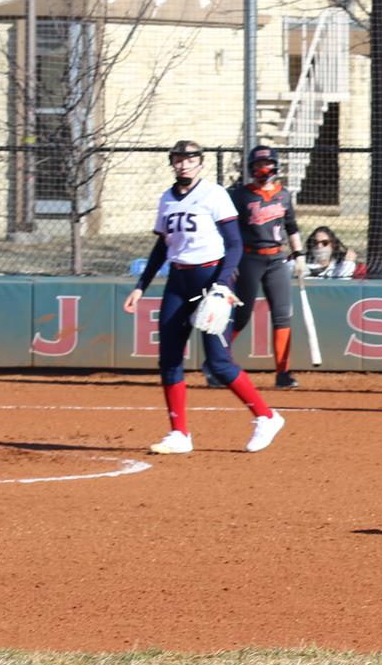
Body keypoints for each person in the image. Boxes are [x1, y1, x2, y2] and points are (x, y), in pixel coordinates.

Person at [121, 140, 284, 455]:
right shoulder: (167, 199)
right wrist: (141, 285)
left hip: (211, 280)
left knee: (219, 363)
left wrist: (222, 284)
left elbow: (234, 244)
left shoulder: (215, 195)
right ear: (172, 163)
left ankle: (266, 417)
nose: (184, 164)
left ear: (201, 163)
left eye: (190, 159)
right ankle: (179, 434)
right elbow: (162, 248)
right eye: (179, 159)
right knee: (168, 358)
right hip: (178, 280)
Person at [215, 144, 303, 390]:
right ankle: (217, 363)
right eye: (257, 165)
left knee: (283, 315)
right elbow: (228, 229)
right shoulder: (242, 195)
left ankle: (283, 373)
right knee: (241, 316)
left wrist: (299, 255)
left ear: (275, 166)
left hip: (277, 259)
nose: (263, 169)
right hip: (250, 258)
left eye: (267, 164)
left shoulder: (283, 195)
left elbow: (291, 226)